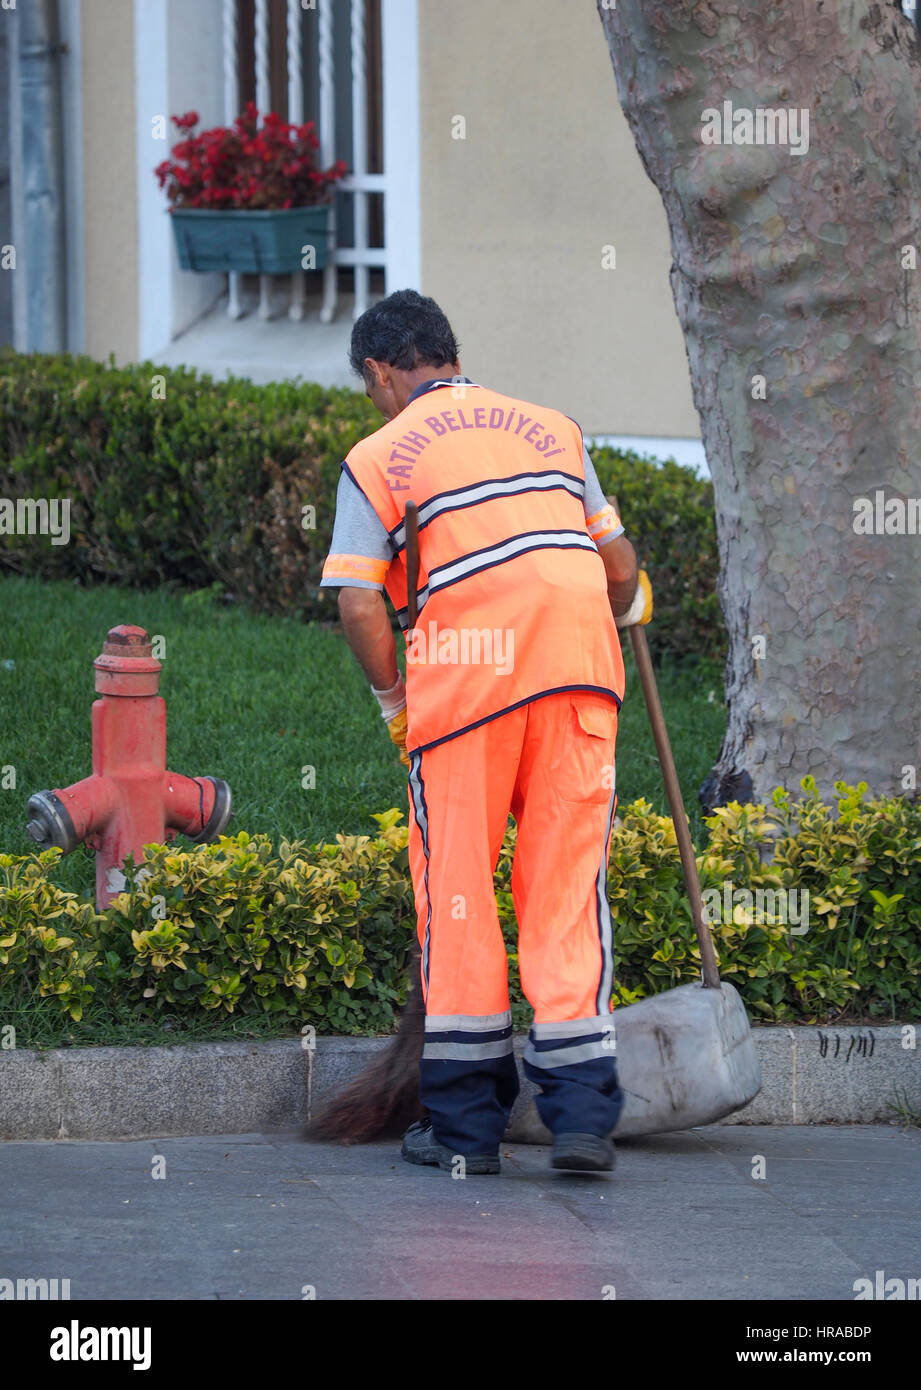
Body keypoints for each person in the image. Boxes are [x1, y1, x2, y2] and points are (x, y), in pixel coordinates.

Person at [320, 289, 652, 1175]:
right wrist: (619, 611)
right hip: (580, 680)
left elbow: (358, 600)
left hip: (467, 693)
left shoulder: (379, 452)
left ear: (381, 373)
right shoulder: (554, 427)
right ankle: (581, 1119)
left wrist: (395, 704)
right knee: (565, 894)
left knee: (458, 900)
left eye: (370, 387)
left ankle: (466, 1132)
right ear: (450, 355)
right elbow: (619, 568)